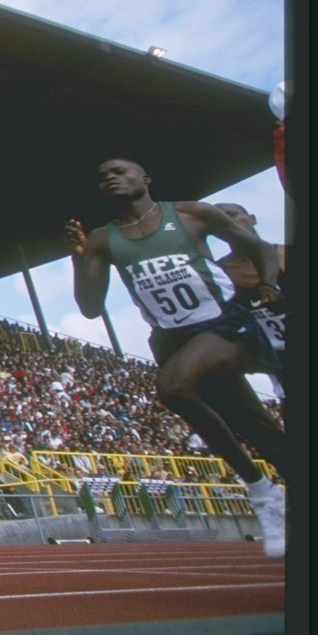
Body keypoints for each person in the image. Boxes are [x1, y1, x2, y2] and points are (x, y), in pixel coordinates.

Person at [65, 158, 290, 558]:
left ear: (145, 178)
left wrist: (270, 282)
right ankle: (280, 490)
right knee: (255, 426)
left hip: (223, 325)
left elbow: (257, 247)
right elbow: (89, 308)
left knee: (173, 387)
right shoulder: (103, 238)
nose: (110, 177)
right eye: (102, 177)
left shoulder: (190, 213)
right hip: (171, 339)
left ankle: (261, 491)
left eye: (119, 170)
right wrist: (78, 260)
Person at [211, 202, 290, 401]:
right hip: (279, 362)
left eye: (232, 215)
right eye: (218, 220)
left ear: (252, 218)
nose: (227, 222)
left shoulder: (290, 253)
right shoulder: (217, 274)